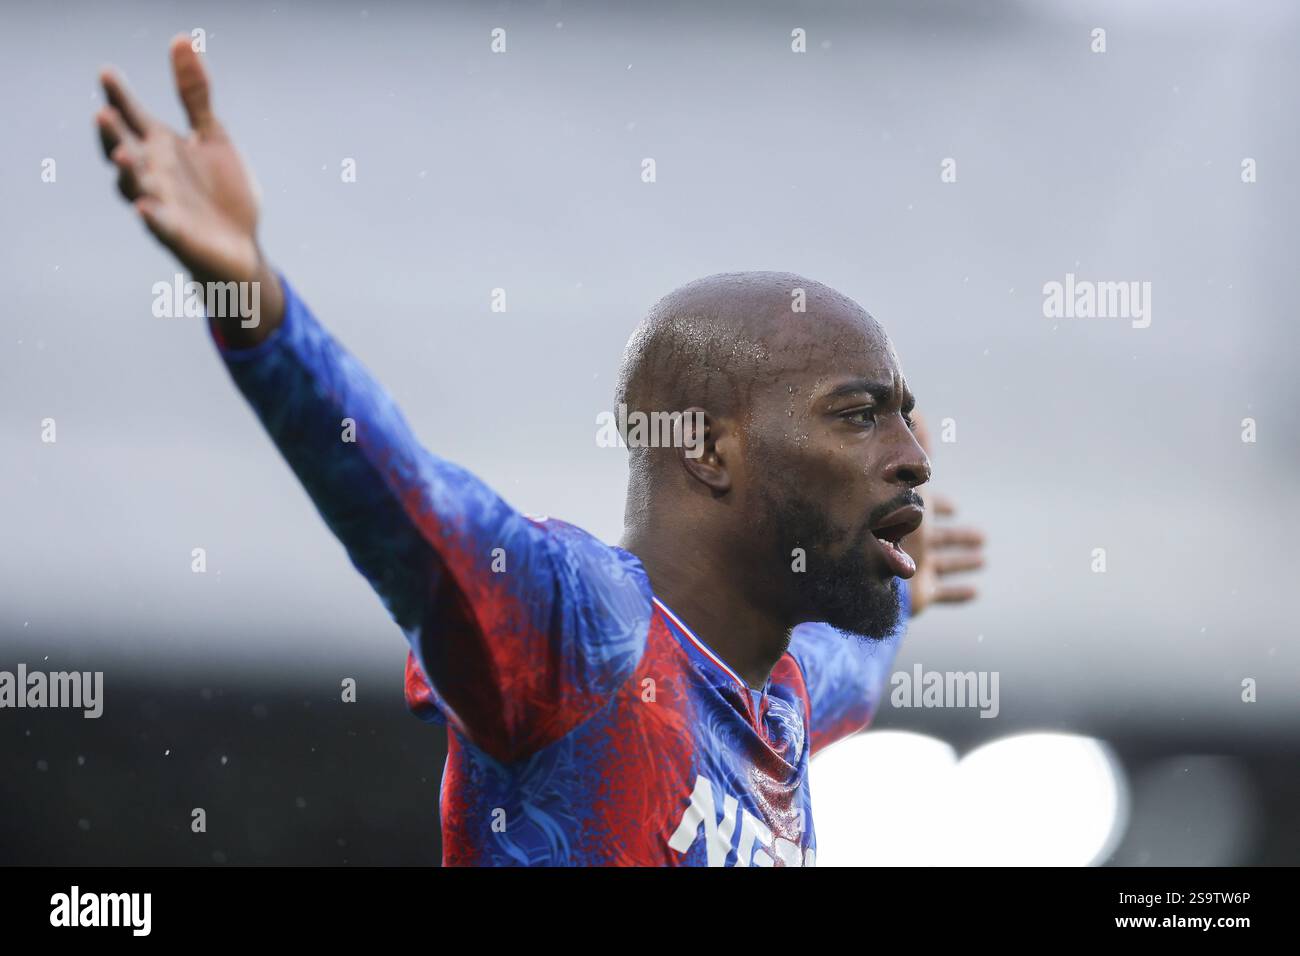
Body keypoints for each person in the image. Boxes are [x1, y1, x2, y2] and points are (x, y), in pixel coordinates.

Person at [95, 37, 984, 866]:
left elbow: (849, 669)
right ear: (709, 451)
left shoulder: (780, 695)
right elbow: (411, 505)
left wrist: (897, 588)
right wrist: (257, 302)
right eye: (861, 415)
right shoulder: (586, 632)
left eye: (906, 419)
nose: (914, 456)